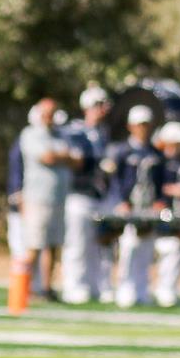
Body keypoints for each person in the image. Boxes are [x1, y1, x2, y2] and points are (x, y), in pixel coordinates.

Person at [10, 97, 75, 313]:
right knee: (34, 245)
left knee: (53, 245)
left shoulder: (60, 134)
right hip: (38, 198)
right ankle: (24, 289)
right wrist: (63, 156)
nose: (49, 117)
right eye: (46, 112)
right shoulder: (31, 134)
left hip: (58, 198)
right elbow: (47, 157)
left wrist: (62, 156)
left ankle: (46, 289)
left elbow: (78, 160)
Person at [103, 104, 166, 308]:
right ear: (131, 126)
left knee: (146, 249)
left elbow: (161, 181)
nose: (143, 129)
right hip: (129, 206)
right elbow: (115, 180)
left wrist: (160, 200)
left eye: (146, 124)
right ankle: (125, 290)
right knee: (128, 248)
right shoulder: (122, 151)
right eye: (140, 125)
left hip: (148, 206)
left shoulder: (155, 153)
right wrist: (120, 202)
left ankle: (142, 290)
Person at [61, 86, 113, 304]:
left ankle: (97, 285)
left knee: (100, 245)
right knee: (77, 243)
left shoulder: (102, 133)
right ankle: (74, 285)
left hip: (98, 195)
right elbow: (76, 160)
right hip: (79, 194)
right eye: (101, 105)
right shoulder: (75, 131)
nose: (105, 109)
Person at [148, 121, 180, 308]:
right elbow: (154, 188)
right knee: (168, 248)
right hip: (164, 213)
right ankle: (162, 289)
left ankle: (171, 289)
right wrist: (171, 191)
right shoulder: (159, 161)